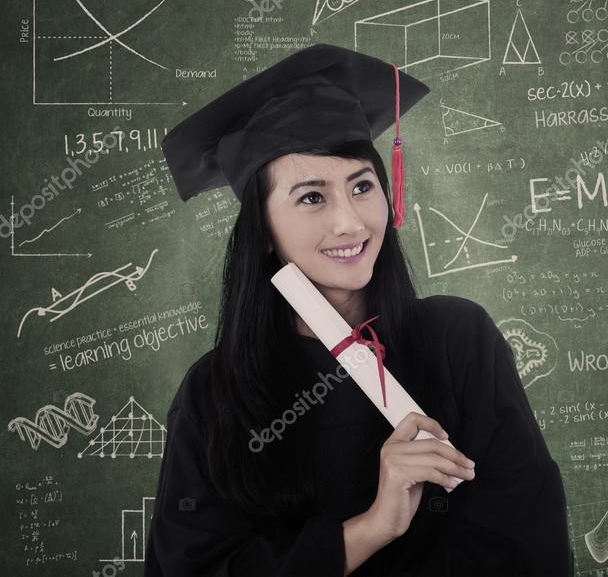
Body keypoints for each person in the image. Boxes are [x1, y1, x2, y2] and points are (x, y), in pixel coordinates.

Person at [144, 44, 574, 576]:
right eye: (311, 197)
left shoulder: (458, 340)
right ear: (263, 234)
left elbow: (528, 537)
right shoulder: (214, 394)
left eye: (362, 186)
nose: (350, 223)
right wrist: (372, 527)